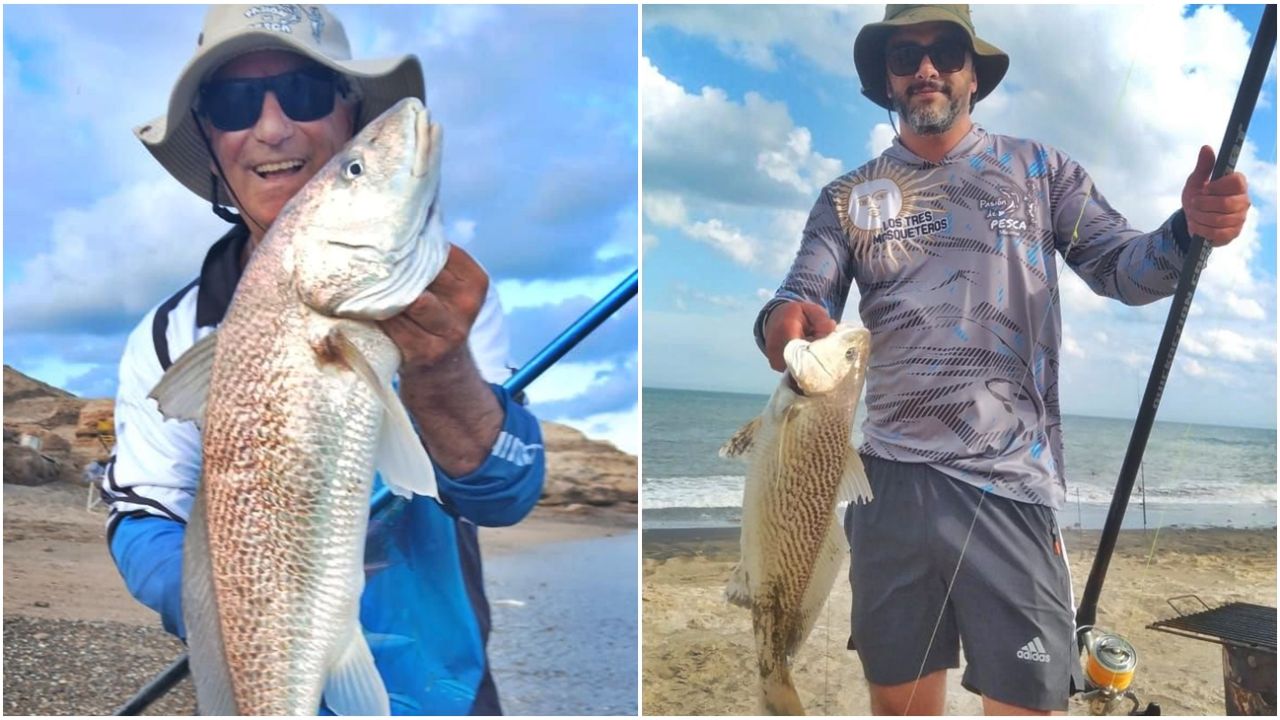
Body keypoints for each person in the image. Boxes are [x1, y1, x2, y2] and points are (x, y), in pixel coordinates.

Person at [756, 4, 1249, 716]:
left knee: (1027, 703)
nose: (926, 68)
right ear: (887, 80)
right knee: (898, 705)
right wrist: (780, 322)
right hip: (887, 484)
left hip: (1011, 482)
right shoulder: (845, 200)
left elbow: (1126, 269)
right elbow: (802, 293)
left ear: (973, 75)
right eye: (905, 55)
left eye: (946, 50)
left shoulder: (1042, 171)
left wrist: (1187, 230)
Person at [101, 5, 545, 715]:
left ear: (347, 112)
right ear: (210, 143)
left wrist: (441, 370)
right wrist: (232, 606)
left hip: (446, 692)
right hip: (266, 677)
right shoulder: (166, 336)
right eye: (234, 104)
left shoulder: (449, 299)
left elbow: (503, 495)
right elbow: (142, 513)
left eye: (303, 93)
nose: (272, 128)